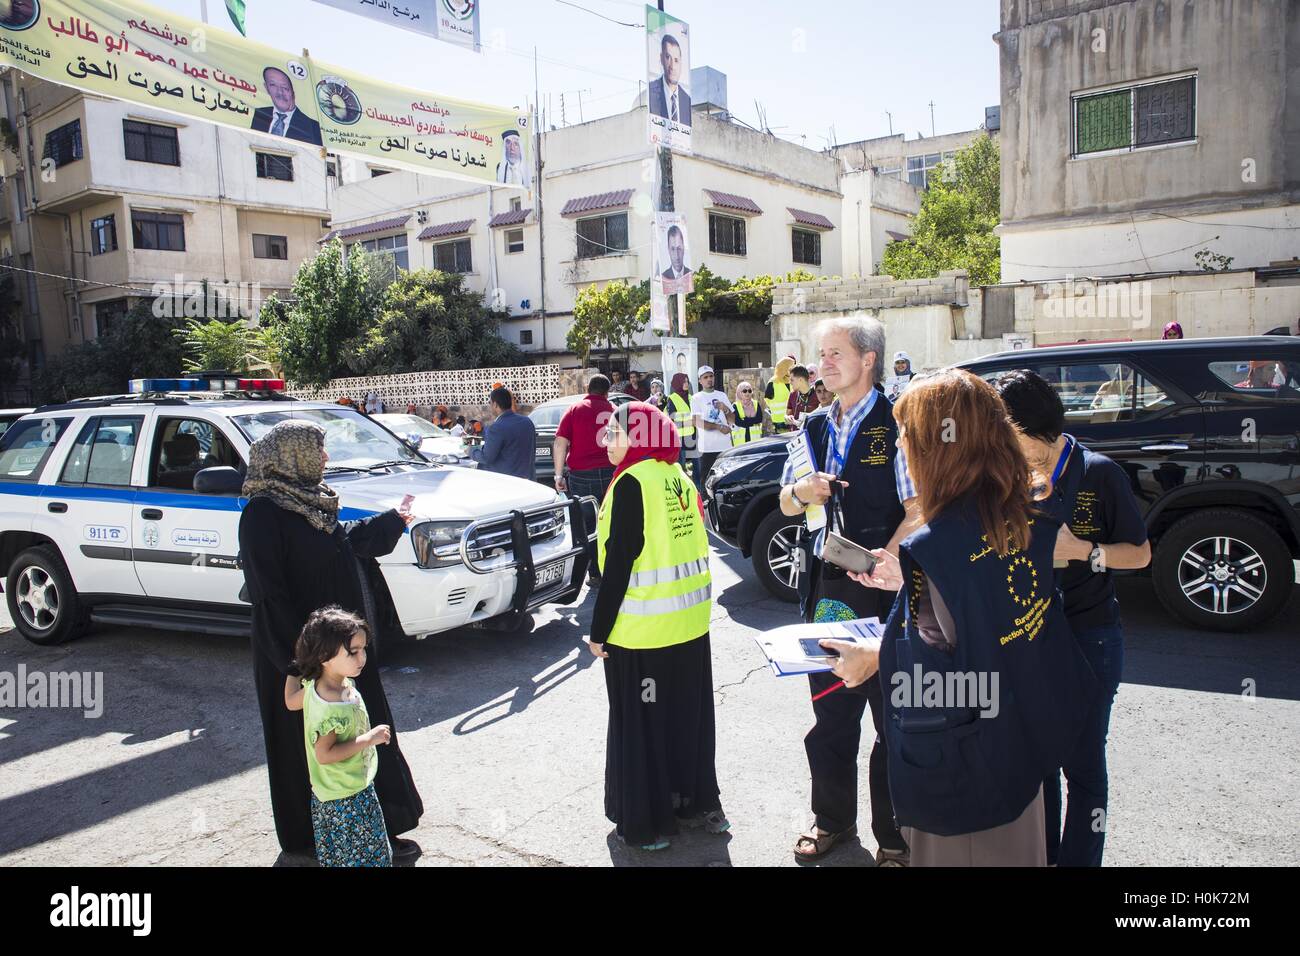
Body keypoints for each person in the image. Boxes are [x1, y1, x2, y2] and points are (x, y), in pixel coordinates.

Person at [828, 369, 1096, 866]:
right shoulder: (1023, 506)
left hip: (966, 784)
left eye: (906, 435)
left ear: (937, 447)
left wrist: (873, 659)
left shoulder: (938, 544)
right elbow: (990, 617)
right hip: (1024, 754)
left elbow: (945, 678)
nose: (900, 447)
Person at [237, 421, 424, 865]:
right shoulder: (262, 514)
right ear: (290, 455)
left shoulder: (314, 503)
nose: (324, 459)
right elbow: (270, 597)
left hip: (343, 653)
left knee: (361, 733)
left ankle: (379, 826)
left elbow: (345, 545)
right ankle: (312, 840)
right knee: (311, 748)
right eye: (317, 450)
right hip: (303, 658)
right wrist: (306, 664)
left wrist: (393, 522)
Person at [995, 369, 1150, 867]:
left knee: (1082, 765)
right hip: (1029, 636)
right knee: (1038, 763)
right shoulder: (1006, 475)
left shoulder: (1100, 472)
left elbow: (1141, 554)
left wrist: (1086, 551)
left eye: (1005, 430)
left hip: (1090, 636)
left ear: (1026, 425)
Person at [778, 317, 918, 866]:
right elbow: (789, 504)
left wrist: (887, 558)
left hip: (887, 593)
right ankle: (831, 821)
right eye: (820, 355)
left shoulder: (899, 423)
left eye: (836, 354)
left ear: (869, 360)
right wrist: (801, 489)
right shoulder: (811, 426)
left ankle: (895, 839)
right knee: (831, 716)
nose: (823, 364)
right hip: (829, 593)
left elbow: (920, 508)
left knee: (893, 723)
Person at [587, 402, 724, 849]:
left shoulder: (631, 483)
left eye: (614, 432)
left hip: (641, 632)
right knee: (686, 720)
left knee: (642, 725)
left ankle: (646, 824)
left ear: (639, 437)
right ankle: (694, 803)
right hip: (688, 627)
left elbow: (620, 564)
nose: (605, 440)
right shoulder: (677, 477)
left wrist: (598, 632)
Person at [284, 607, 392, 867]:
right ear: (324, 656)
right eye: (352, 652)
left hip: (334, 792)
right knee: (364, 858)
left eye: (363, 648)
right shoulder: (331, 703)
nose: (361, 657)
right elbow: (325, 754)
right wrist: (370, 738)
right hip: (347, 796)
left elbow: (290, 702)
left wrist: (293, 671)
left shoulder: (317, 687)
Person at [554, 374, 617, 585]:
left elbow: (560, 443)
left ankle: (595, 573)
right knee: (612, 522)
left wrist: (558, 475)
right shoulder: (616, 411)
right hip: (612, 473)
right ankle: (615, 568)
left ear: (587, 389)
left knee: (589, 526)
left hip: (581, 476)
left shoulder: (573, 410)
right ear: (607, 392)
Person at [470, 386, 536, 480]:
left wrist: (471, 451)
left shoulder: (496, 428)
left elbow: (486, 458)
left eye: (490, 403)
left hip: (506, 482)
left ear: (495, 404)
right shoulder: (527, 421)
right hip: (528, 479)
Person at [251, 67, 323, 146]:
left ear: (293, 92)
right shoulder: (259, 114)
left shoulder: (313, 127)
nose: (280, 92)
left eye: (285, 88)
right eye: (273, 85)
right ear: (266, 88)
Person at [690, 365, 734, 486]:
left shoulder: (722, 395)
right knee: (706, 480)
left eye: (711, 376)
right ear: (700, 381)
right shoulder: (696, 398)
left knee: (726, 479)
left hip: (725, 446)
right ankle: (706, 503)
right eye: (705, 377)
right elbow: (696, 421)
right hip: (707, 448)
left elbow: (732, 419)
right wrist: (718, 427)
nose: (709, 379)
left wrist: (725, 409)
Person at [648, 33, 692, 127]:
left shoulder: (686, 100)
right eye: (668, 57)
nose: (672, 66)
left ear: (681, 63)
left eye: (676, 60)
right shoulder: (651, 91)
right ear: (661, 59)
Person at [667, 372, 698, 484]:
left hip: (694, 436)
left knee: (697, 467)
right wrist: (690, 420)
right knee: (681, 467)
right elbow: (672, 417)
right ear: (678, 383)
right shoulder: (672, 398)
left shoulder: (691, 397)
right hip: (680, 438)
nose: (686, 383)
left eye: (687, 381)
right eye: (684, 381)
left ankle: (698, 490)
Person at [730, 380, 765, 447]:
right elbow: (738, 422)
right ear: (739, 393)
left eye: (749, 391)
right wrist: (752, 421)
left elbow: (759, 419)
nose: (747, 393)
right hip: (740, 443)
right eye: (744, 391)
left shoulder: (756, 403)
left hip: (755, 441)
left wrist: (745, 419)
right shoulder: (735, 406)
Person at [765, 356, 795, 431]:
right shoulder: (773, 382)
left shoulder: (793, 380)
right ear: (784, 368)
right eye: (791, 367)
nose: (793, 369)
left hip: (792, 419)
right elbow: (767, 400)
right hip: (779, 422)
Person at [785, 364, 819, 428]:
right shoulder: (792, 395)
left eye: (792, 380)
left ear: (800, 380)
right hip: (795, 435)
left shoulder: (818, 394)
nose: (790, 382)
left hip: (812, 435)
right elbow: (787, 415)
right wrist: (787, 418)